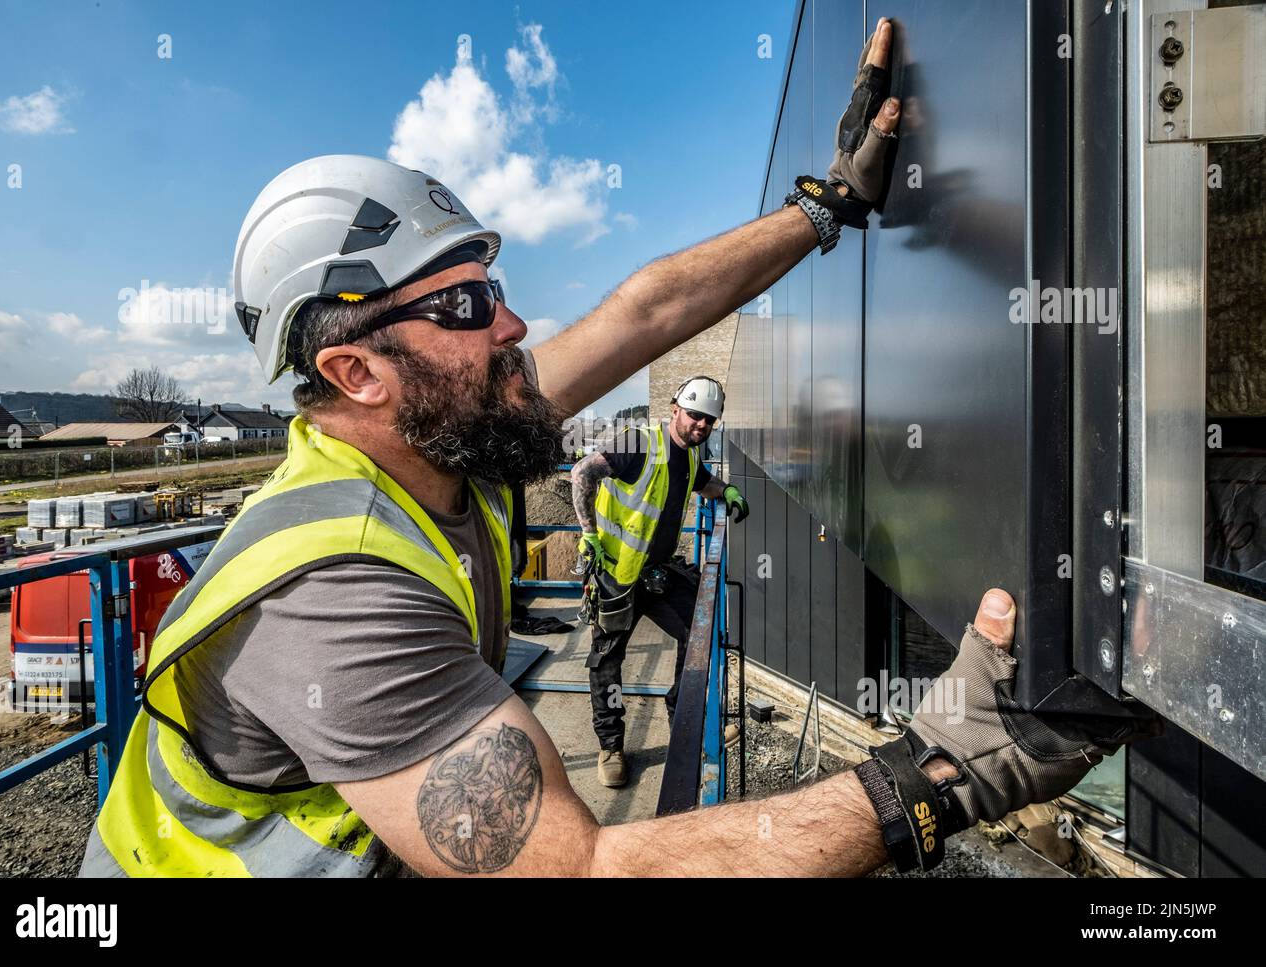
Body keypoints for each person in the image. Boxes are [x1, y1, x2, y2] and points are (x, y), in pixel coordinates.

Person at [79, 18, 1154, 878]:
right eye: (463, 303)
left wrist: (823, 204)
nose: (511, 327)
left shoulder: (444, 433)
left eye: (492, 289)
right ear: (357, 372)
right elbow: (580, 866)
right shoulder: (330, 595)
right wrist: (947, 773)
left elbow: (642, 312)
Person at [570, 376, 748, 786]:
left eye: (709, 420)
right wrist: (588, 532)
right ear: (675, 410)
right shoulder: (639, 443)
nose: (701, 425)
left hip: (655, 572)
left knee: (697, 633)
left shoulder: (688, 456)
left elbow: (702, 482)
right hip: (616, 574)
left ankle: (682, 723)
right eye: (694, 415)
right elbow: (582, 473)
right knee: (608, 658)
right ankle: (611, 746)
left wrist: (729, 490)